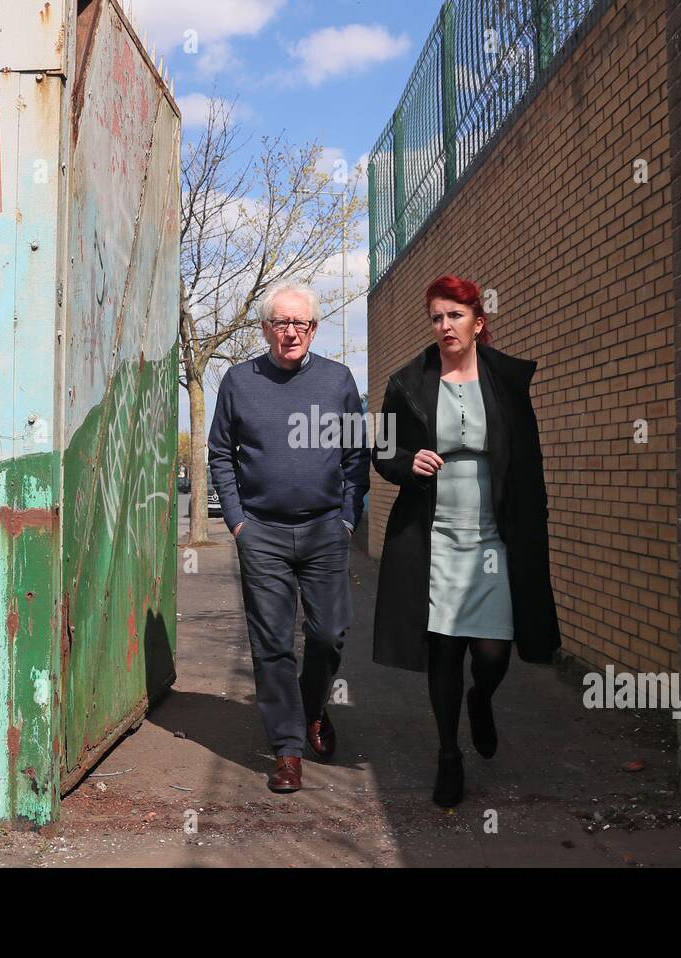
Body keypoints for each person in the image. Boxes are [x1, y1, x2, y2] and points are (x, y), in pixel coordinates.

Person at [371, 274, 560, 807]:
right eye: (436, 316)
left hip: (494, 538)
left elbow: (527, 461)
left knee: (494, 651)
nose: (444, 325)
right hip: (434, 538)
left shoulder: (505, 381)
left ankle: (483, 697)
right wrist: (409, 462)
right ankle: (448, 756)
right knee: (445, 649)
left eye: (454, 315)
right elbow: (382, 451)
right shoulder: (409, 381)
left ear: (478, 322)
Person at [208, 281, 369, 793]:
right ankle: (288, 749)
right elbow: (220, 455)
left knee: (328, 633)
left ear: (314, 328)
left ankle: (312, 707)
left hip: (325, 529)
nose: (291, 332)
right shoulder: (238, 381)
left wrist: (347, 518)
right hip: (264, 533)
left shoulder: (338, 380)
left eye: (301, 323)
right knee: (272, 643)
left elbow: (355, 455)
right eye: (281, 322)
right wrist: (238, 523)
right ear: (266, 328)